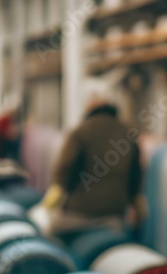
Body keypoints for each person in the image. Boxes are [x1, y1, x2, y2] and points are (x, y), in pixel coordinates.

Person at [41, 97, 146, 243]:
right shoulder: (128, 133)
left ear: (89, 112)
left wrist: (46, 206)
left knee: (50, 235)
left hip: (77, 215)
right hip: (114, 217)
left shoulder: (80, 131)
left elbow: (64, 171)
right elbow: (136, 180)